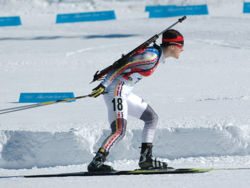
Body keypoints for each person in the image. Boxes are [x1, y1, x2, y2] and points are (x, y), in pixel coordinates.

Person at [88, 29, 184, 172]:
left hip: (124, 91)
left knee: (151, 118)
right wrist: (104, 85)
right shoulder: (151, 57)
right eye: (181, 46)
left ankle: (146, 160)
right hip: (116, 90)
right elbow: (122, 65)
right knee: (119, 130)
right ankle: (97, 163)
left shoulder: (157, 55)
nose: (182, 50)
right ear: (172, 46)